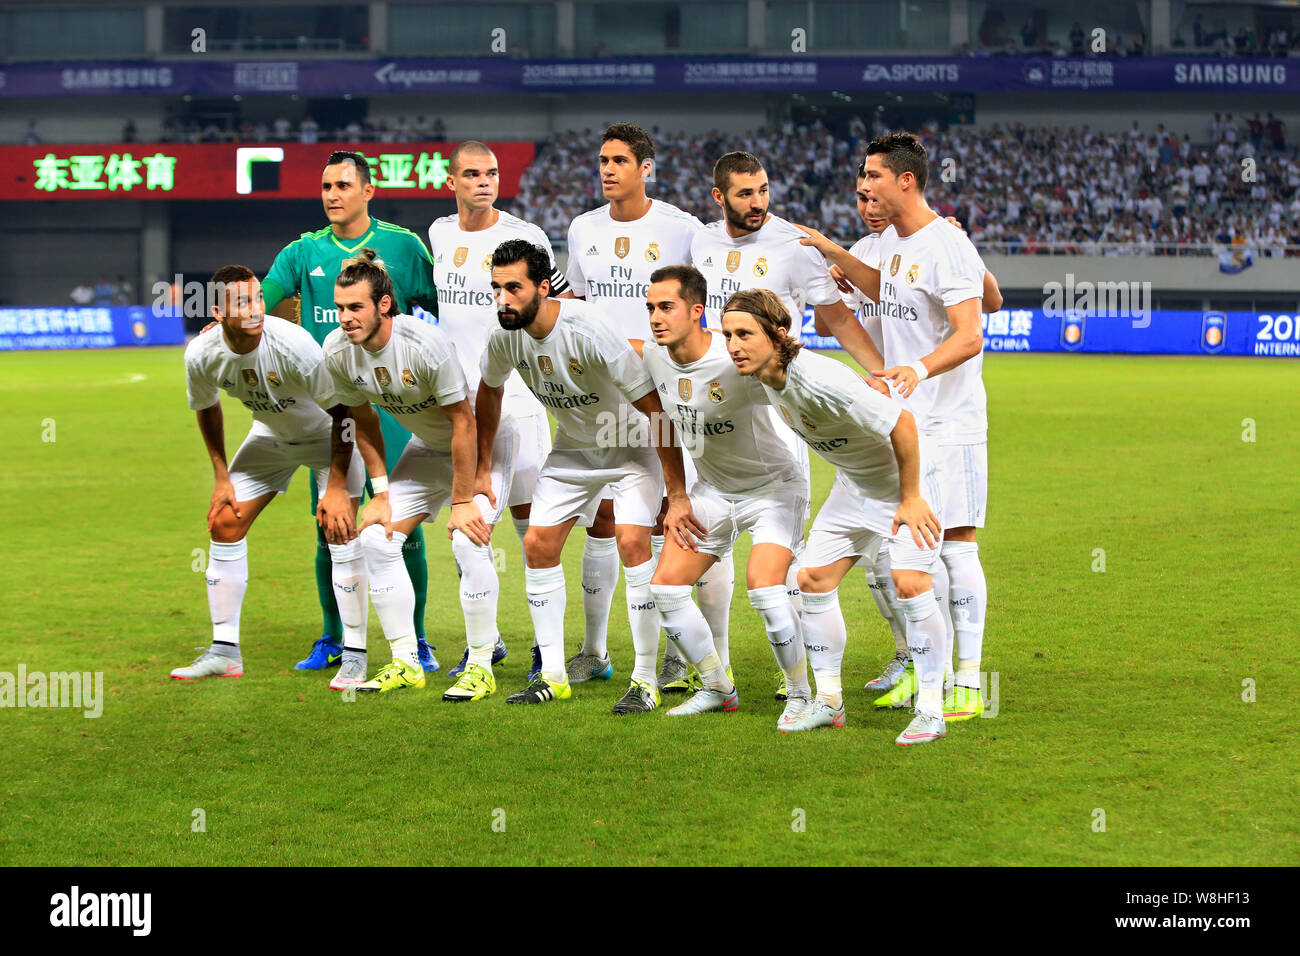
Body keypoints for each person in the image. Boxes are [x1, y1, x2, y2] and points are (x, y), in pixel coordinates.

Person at [797, 132, 998, 722]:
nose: (862, 186)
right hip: (898, 421)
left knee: (956, 546)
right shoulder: (883, 246)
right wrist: (838, 258)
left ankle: (968, 681)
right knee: (902, 554)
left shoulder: (947, 243)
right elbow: (887, 294)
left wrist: (914, 369)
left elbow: (971, 333)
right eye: (861, 176)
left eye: (873, 175)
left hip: (951, 421)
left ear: (906, 180)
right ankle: (920, 665)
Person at [692, 150, 884, 701]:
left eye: (764, 191)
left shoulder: (792, 247)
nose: (758, 203)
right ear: (719, 196)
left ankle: (800, 675)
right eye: (746, 193)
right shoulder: (699, 241)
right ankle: (713, 668)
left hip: (777, 413)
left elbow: (837, 317)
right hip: (711, 412)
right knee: (708, 542)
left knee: (786, 554)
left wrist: (878, 372)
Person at [476, 239, 699, 713]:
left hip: (631, 442)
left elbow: (653, 408)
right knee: (536, 544)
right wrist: (479, 469)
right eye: (496, 289)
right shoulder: (503, 335)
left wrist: (676, 491)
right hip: (575, 448)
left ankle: (644, 680)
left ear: (542, 287)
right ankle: (553, 675)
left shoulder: (589, 328)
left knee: (634, 541)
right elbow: (489, 392)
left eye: (513, 288)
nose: (503, 299)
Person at [720, 289, 948, 743]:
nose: (733, 345)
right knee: (812, 579)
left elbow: (902, 423)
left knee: (909, 583)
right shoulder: (760, 376)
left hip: (909, 486)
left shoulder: (821, 379)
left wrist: (910, 498)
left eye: (744, 333)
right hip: (854, 486)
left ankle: (931, 711)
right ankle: (828, 702)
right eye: (728, 335)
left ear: (778, 335)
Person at [261, 150, 441, 674]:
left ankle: (419, 639)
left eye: (342, 185)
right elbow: (267, 295)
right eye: (325, 186)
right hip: (327, 405)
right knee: (330, 522)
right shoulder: (304, 251)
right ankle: (333, 636)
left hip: (388, 400)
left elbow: (439, 305)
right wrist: (238, 315)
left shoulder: (403, 247)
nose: (332, 194)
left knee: (399, 522)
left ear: (367, 190)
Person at [317, 252, 508, 699]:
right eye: (340, 308)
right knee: (374, 538)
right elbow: (361, 420)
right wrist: (379, 493)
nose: (344, 319)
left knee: (468, 538)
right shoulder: (337, 351)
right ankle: (405, 660)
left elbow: (464, 420)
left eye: (355, 308)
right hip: (427, 450)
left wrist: (462, 501)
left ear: (383, 305)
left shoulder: (423, 343)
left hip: (485, 446)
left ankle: (481, 664)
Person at [563, 122, 707, 693]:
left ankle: (675, 651)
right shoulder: (581, 228)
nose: (607, 169)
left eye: (619, 160)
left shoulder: (682, 229)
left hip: (663, 394)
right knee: (600, 519)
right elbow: (575, 296)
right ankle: (594, 650)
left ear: (646, 168)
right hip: (595, 397)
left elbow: (707, 296)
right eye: (602, 159)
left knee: (669, 518)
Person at [171, 265, 365, 685]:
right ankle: (225, 652)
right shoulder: (201, 353)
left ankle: (355, 654)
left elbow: (344, 414)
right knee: (224, 521)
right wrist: (221, 476)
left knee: (340, 531)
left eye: (258, 297)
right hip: (269, 435)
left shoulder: (294, 345)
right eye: (243, 302)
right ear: (218, 311)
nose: (257, 308)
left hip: (326, 437)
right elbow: (207, 407)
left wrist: (334, 485)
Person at [635, 266, 812, 726]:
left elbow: (799, 385)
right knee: (666, 588)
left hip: (773, 489)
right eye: (650, 307)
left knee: (766, 589)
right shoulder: (654, 358)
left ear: (697, 312)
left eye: (666, 307)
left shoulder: (737, 355)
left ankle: (800, 695)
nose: (655, 317)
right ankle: (717, 686)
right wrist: (677, 495)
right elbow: (661, 423)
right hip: (712, 491)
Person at [426, 140, 572, 681]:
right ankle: (488, 645)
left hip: (519, 407)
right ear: (452, 181)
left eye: (491, 173)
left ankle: (537, 650)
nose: (483, 182)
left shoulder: (525, 237)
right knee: (477, 528)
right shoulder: (439, 234)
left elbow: (558, 305)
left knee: (529, 532)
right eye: (471, 174)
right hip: (459, 410)